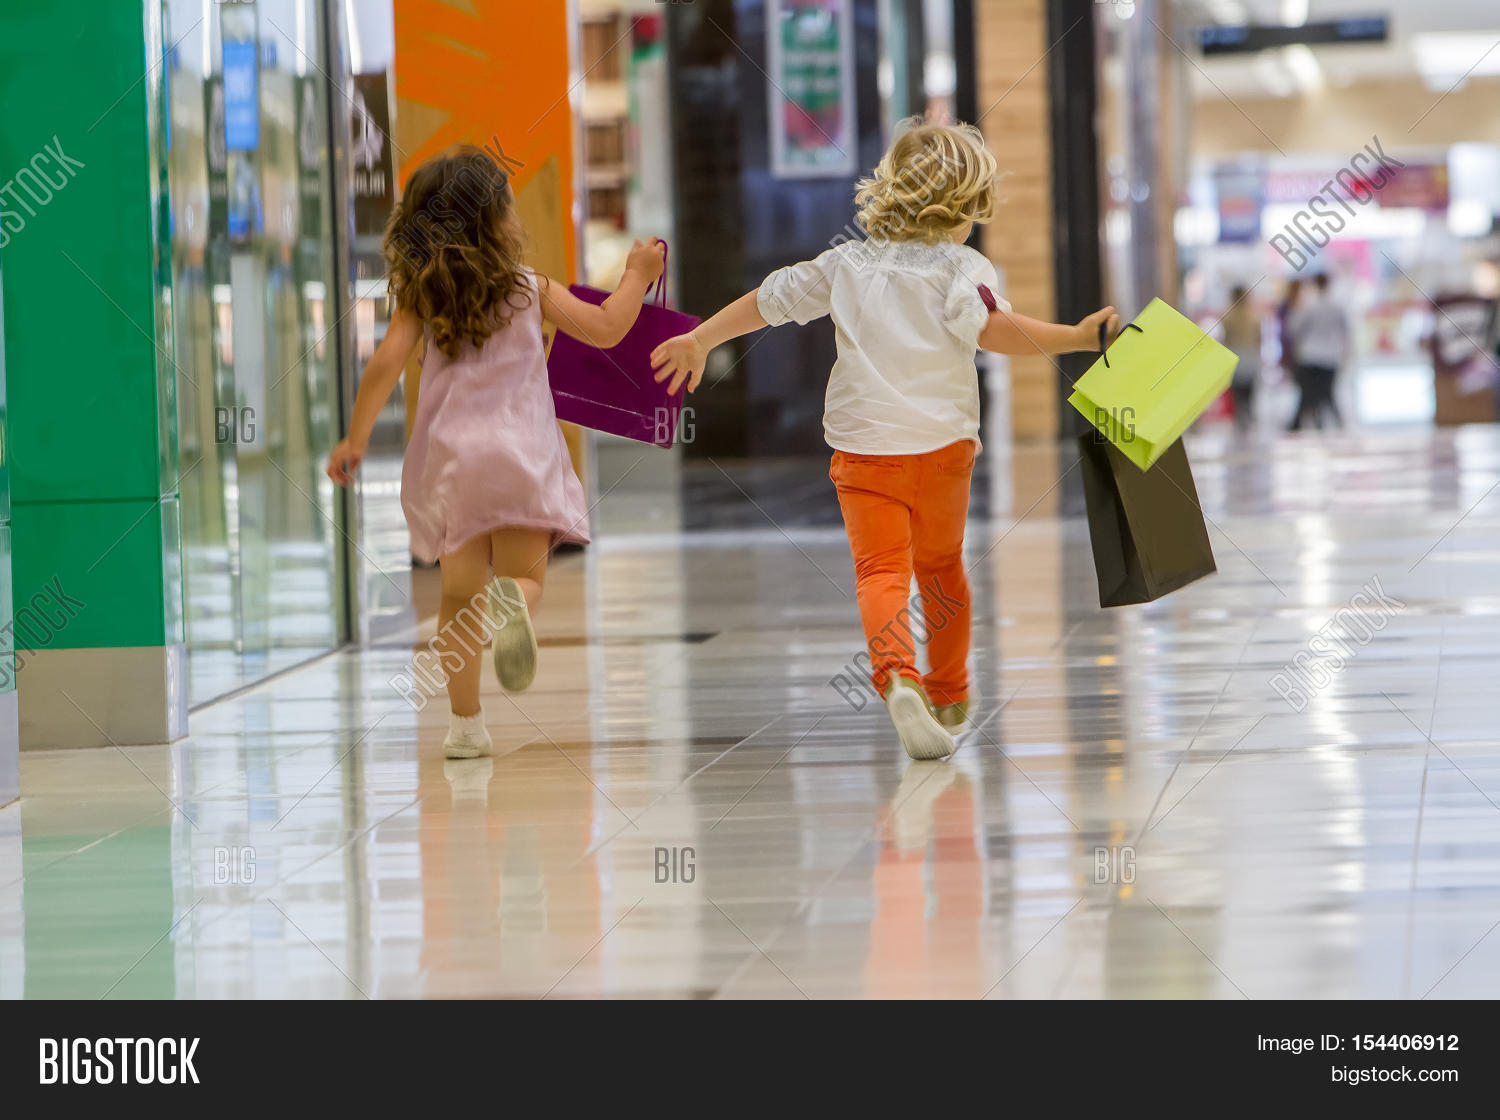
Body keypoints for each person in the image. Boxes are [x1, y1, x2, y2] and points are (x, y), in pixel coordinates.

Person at [650, 120, 1118, 760]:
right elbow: (995, 330)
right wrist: (1075, 337)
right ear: (964, 210)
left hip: (865, 449)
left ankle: (898, 675)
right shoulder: (961, 267)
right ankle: (949, 691)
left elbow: (770, 300)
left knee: (880, 572)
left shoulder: (847, 262)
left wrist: (700, 338)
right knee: (942, 569)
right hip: (942, 450)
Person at [326, 144, 665, 758]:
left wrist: (355, 438)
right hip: (520, 455)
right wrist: (639, 273)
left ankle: (464, 728)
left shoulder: (423, 299)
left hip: (454, 460)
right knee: (522, 580)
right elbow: (610, 328)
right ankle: (509, 605)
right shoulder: (529, 289)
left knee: (456, 596)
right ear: (498, 220)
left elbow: (382, 365)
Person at [1287, 272, 1348, 430]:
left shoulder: (1309, 307)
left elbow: (1294, 329)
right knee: (1327, 393)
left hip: (1310, 356)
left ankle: (1300, 425)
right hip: (1330, 356)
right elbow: (1346, 332)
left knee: (1308, 394)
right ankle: (1337, 424)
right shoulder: (1337, 306)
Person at [1222, 286, 1261, 432]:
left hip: (1235, 360)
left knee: (1237, 398)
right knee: (1249, 397)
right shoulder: (1253, 318)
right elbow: (1258, 341)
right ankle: (1249, 425)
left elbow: (1225, 341)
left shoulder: (1228, 318)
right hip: (1250, 360)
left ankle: (1239, 426)